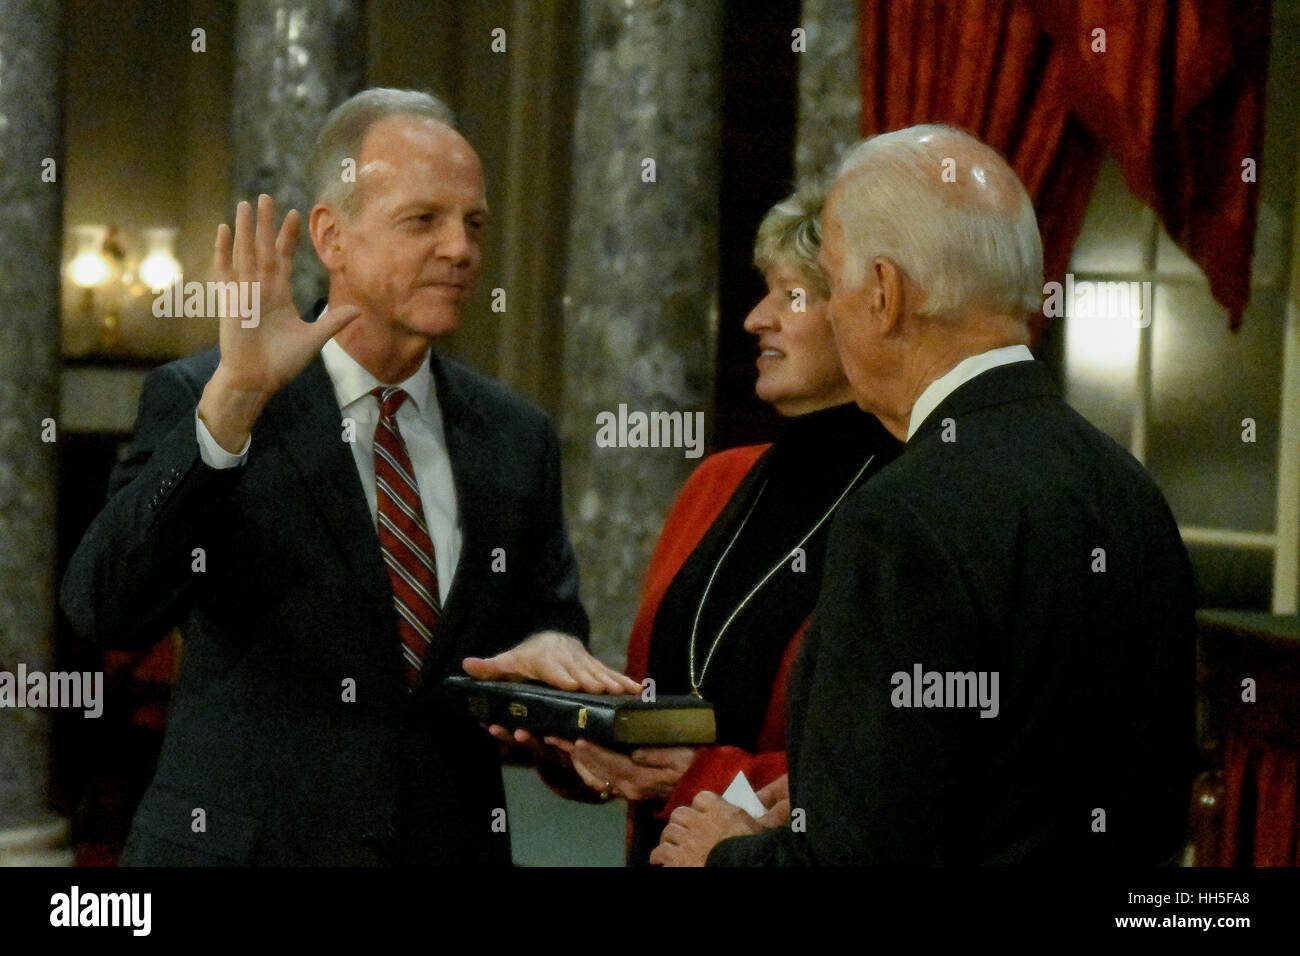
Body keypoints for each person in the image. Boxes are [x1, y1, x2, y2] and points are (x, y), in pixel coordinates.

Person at [60, 88, 637, 866]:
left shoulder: (514, 435)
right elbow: (103, 606)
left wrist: (556, 682)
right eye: (423, 220)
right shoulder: (213, 397)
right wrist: (232, 409)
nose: (461, 250)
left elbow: (544, 633)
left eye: (474, 224)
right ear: (332, 237)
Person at [658, 124, 1196, 866]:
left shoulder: (903, 515)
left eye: (835, 282)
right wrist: (826, 790)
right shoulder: (1129, 487)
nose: (836, 310)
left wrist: (721, 854)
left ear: (883, 294)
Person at [508, 184, 901, 866]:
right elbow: (650, 700)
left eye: (790, 295)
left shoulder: (905, 502)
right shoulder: (717, 482)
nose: (755, 319)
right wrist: (577, 739)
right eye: (763, 292)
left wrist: (695, 772)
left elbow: (881, 764)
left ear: (861, 311)